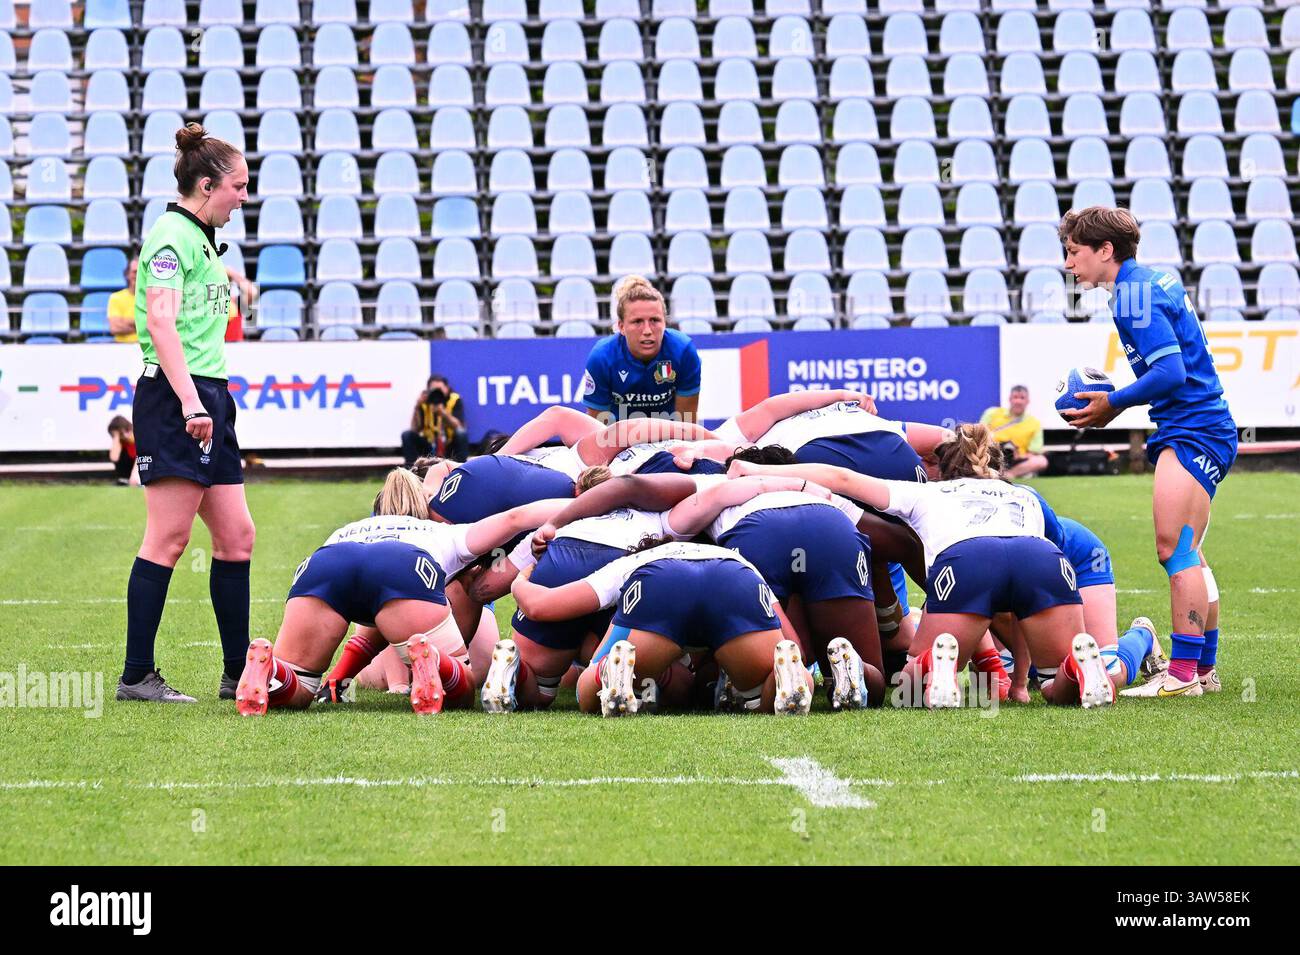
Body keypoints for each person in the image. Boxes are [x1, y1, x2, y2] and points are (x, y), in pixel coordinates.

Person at [730, 424, 1124, 710]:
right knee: (1056, 685)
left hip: (969, 561)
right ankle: (1076, 667)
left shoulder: (926, 492)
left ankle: (936, 667)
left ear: (940, 469)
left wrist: (761, 472)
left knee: (907, 691)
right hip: (1041, 559)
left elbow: (841, 477)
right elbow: (1039, 563)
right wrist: (1021, 684)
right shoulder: (1026, 495)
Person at [1059, 206, 1235, 699]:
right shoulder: (1149, 282)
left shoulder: (1133, 293)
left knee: (1174, 549)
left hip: (1194, 429)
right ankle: (1201, 670)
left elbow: (1171, 373)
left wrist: (1111, 405)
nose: (1070, 264)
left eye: (1074, 253)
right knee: (1188, 551)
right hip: (1198, 427)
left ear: (1105, 250)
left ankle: (1180, 676)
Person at [234, 469, 571, 715]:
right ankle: (436, 663)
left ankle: (271, 669)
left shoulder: (349, 528)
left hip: (327, 563)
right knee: (463, 687)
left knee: (300, 686)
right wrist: (582, 504)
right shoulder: (440, 531)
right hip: (404, 568)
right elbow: (515, 518)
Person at [117, 123, 255, 704]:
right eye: (239, 187)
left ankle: (238, 676)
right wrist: (192, 401)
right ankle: (136, 676)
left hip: (207, 395)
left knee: (237, 537)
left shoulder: (199, 237)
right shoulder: (171, 238)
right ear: (206, 185)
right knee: (168, 539)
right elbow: (159, 324)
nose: (243, 197)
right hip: (181, 397)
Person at [511, 538, 815, 717]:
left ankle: (607, 673)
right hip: (735, 579)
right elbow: (793, 641)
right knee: (758, 693)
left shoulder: (635, 561)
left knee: (586, 690)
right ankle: (785, 673)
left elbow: (543, 605)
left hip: (659, 582)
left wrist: (519, 582)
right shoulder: (737, 558)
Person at [580, 275, 702, 423]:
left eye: (655, 320)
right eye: (637, 321)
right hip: (616, 440)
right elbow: (597, 428)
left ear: (665, 323)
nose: (647, 330)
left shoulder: (684, 351)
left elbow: (686, 425)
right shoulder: (601, 357)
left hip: (669, 437)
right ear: (621, 327)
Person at [981, 385, 1048, 478]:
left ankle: (1008, 475)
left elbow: (1034, 451)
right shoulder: (992, 413)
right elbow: (980, 435)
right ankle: (990, 473)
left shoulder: (1034, 423)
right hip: (992, 455)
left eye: (1022, 398)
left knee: (1041, 460)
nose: (1018, 401)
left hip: (1017, 459)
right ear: (1010, 399)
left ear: (1027, 401)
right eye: (1015, 397)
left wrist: (1018, 455)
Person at [401, 375, 469, 466]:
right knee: (407, 435)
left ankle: (462, 469)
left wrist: (443, 413)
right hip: (429, 445)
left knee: (461, 434)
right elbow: (415, 429)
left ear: (447, 388)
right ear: (428, 390)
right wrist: (417, 407)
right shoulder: (424, 401)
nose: (437, 392)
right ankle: (410, 472)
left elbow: (459, 426)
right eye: (434, 389)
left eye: (440, 389)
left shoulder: (454, 400)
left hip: (449, 445)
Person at [107, 258, 139, 343]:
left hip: (145, 349)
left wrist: (126, 321)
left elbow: (157, 327)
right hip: (121, 347)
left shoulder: (154, 298)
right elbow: (114, 328)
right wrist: (141, 325)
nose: (138, 275)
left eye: (141, 272)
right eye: (135, 272)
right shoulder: (115, 297)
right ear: (127, 274)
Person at [107, 415, 138, 486]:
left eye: (127, 430)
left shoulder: (140, 440)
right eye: (121, 434)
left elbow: (140, 458)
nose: (125, 436)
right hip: (123, 481)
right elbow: (114, 458)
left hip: (138, 480)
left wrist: (134, 476)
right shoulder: (119, 445)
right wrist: (116, 436)